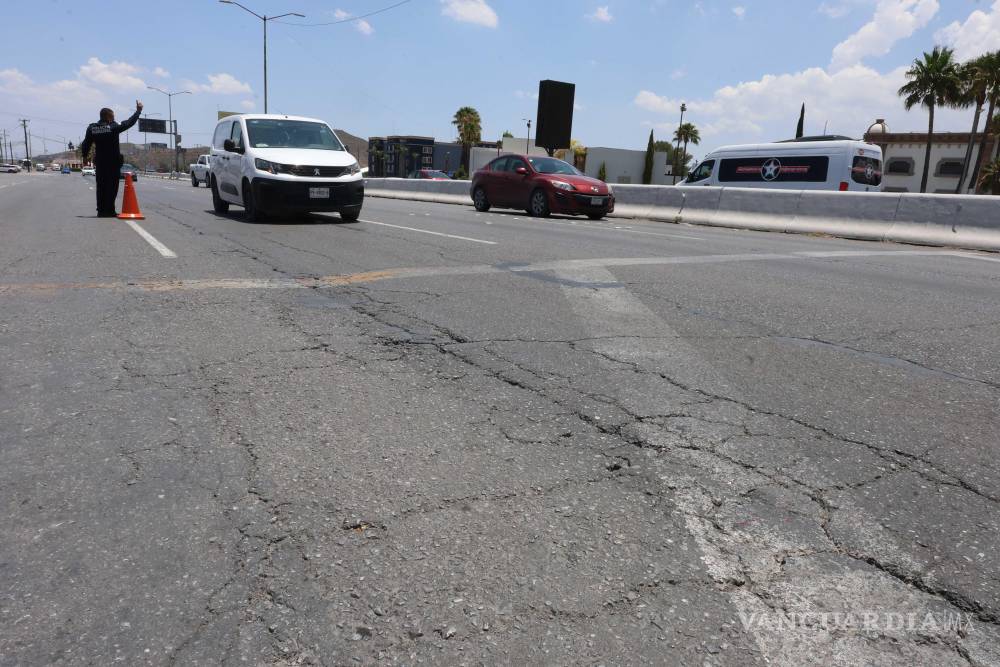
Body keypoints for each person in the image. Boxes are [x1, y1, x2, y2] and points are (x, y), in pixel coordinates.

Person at [79, 100, 143, 217]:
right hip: (113, 163)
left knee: (101, 186)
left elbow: (86, 143)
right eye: (112, 116)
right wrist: (138, 112)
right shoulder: (113, 127)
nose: (113, 119)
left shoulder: (92, 128)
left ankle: (101, 211)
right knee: (112, 187)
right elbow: (128, 123)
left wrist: (84, 157)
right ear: (108, 117)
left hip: (101, 163)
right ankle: (110, 210)